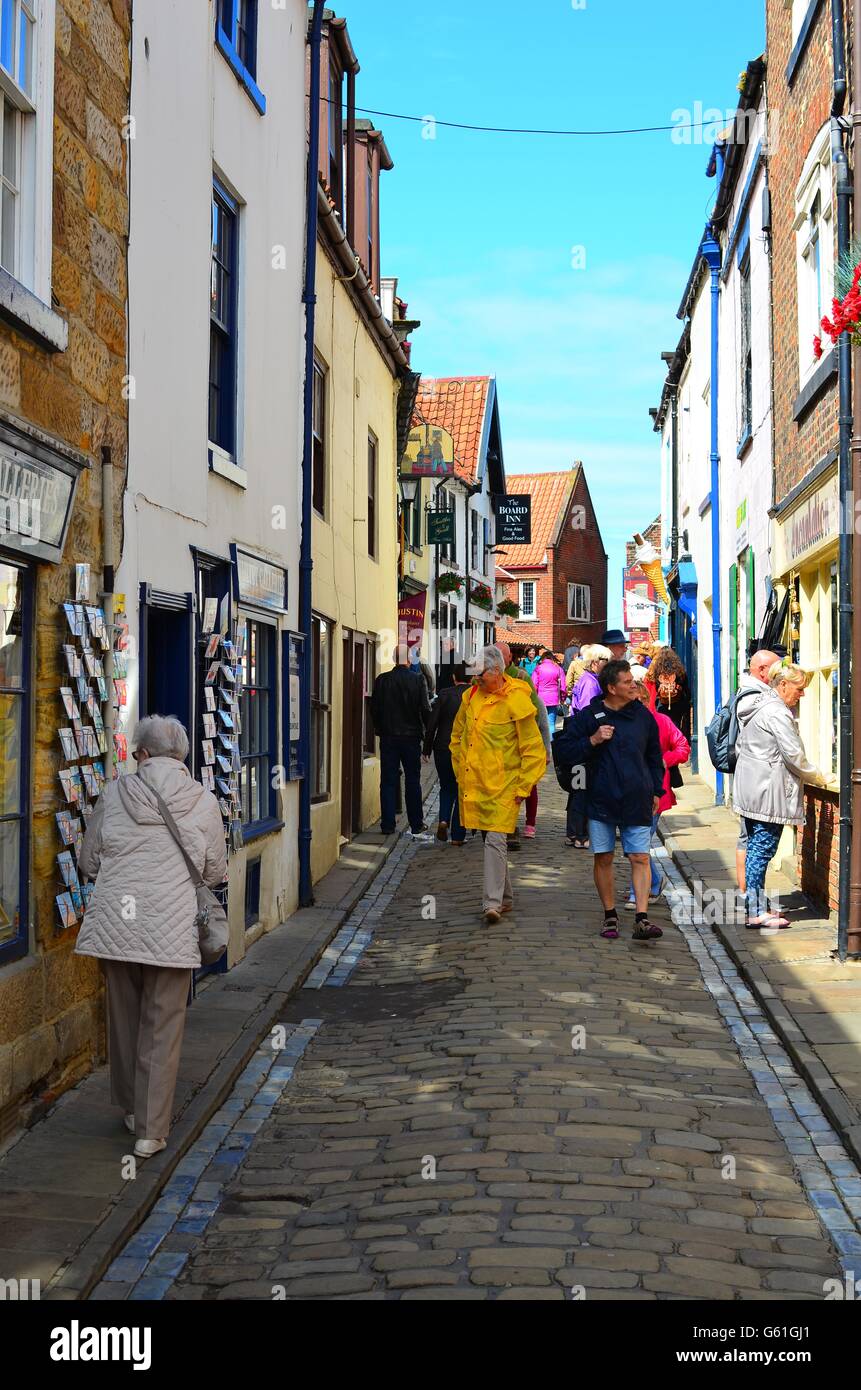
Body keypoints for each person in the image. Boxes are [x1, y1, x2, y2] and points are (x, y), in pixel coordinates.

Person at [75, 715, 227, 1159]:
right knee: (161, 1027)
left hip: (117, 926)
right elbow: (214, 871)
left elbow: (89, 863)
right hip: (172, 927)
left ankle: (129, 1108)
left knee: (123, 1020)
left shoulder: (115, 792)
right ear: (180, 755)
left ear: (141, 753)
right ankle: (150, 1130)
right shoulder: (202, 800)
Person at [554, 659, 665, 941]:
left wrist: (655, 791)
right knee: (604, 857)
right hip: (601, 800)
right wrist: (592, 740)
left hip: (636, 798)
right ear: (611, 688)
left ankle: (641, 918)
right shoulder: (590, 716)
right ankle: (610, 915)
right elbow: (564, 750)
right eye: (628, 682)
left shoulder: (643, 716)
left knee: (640, 857)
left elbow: (654, 756)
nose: (634, 686)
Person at [450, 645, 546, 924]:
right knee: (489, 838)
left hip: (505, 785)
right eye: (474, 676)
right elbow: (458, 736)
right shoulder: (470, 698)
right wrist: (460, 769)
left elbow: (532, 748)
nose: (475, 681)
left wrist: (523, 786)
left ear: (496, 672)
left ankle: (490, 903)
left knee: (495, 839)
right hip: (475, 783)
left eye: (480, 676)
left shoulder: (516, 699)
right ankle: (505, 897)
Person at [732, 661, 828, 929]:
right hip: (767, 792)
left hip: (751, 788)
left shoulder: (759, 706)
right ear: (783, 684)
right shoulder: (777, 712)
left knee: (755, 848)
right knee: (762, 850)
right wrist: (818, 776)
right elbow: (793, 755)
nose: (803, 694)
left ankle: (757, 906)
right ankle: (755, 911)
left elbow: (742, 748)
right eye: (799, 688)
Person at [626, 680, 690, 907]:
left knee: (639, 844)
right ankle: (652, 884)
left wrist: (664, 760)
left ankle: (638, 893)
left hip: (655, 793)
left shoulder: (661, 721)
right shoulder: (621, 723)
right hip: (628, 794)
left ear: (646, 700)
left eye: (639, 701)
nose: (635, 705)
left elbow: (683, 747)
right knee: (635, 844)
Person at [729, 648, 780, 894]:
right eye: (776, 668)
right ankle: (749, 896)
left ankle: (747, 893)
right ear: (762, 670)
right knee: (753, 840)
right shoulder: (756, 696)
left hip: (747, 772)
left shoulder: (745, 691)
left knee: (748, 837)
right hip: (756, 775)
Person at [371, 644, 433, 841]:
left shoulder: (382, 680)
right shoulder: (417, 680)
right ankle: (416, 823)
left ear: (392, 658)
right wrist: (426, 734)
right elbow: (425, 709)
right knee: (413, 780)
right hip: (411, 737)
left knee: (388, 780)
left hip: (388, 736)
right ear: (409, 660)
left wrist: (379, 729)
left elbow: (374, 709)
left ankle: (388, 824)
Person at [496, 640, 551, 841]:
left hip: (522, 740)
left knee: (529, 783)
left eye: (502, 656)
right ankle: (506, 824)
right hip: (498, 743)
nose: (498, 661)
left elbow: (538, 712)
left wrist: (544, 747)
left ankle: (529, 822)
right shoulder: (485, 678)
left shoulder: (521, 677)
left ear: (510, 657)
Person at [564, 643, 612, 847]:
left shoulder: (588, 679)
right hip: (585, 745)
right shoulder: (591, 684)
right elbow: (588, 715)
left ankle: (576, 832)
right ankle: (579, 834)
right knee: (581, 787)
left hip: (582, 743)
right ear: (595, 663)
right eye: (606, 661)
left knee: (579, 788)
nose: (608, 665)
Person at [422, 662, 470, 844]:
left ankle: (443, 820)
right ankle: (458, 836)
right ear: (472, 677)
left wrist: (426, 748)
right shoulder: (474, 696)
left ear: (453, 678)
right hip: (465, 749)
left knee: (446, 786)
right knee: (461, 790)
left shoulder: (443, 695)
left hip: (442, 747)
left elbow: (432, 724)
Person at [532, 647, 566, 737]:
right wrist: (562, 699)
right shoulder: (558, 669)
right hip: (554, 699)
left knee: (539, 723)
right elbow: (563, 687)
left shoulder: (538, 668)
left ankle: (541, 743)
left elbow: (534, 685)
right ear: (552, 658)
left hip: (540, 699)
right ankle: (550, 744)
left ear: (543, 658)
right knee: (551, 723)